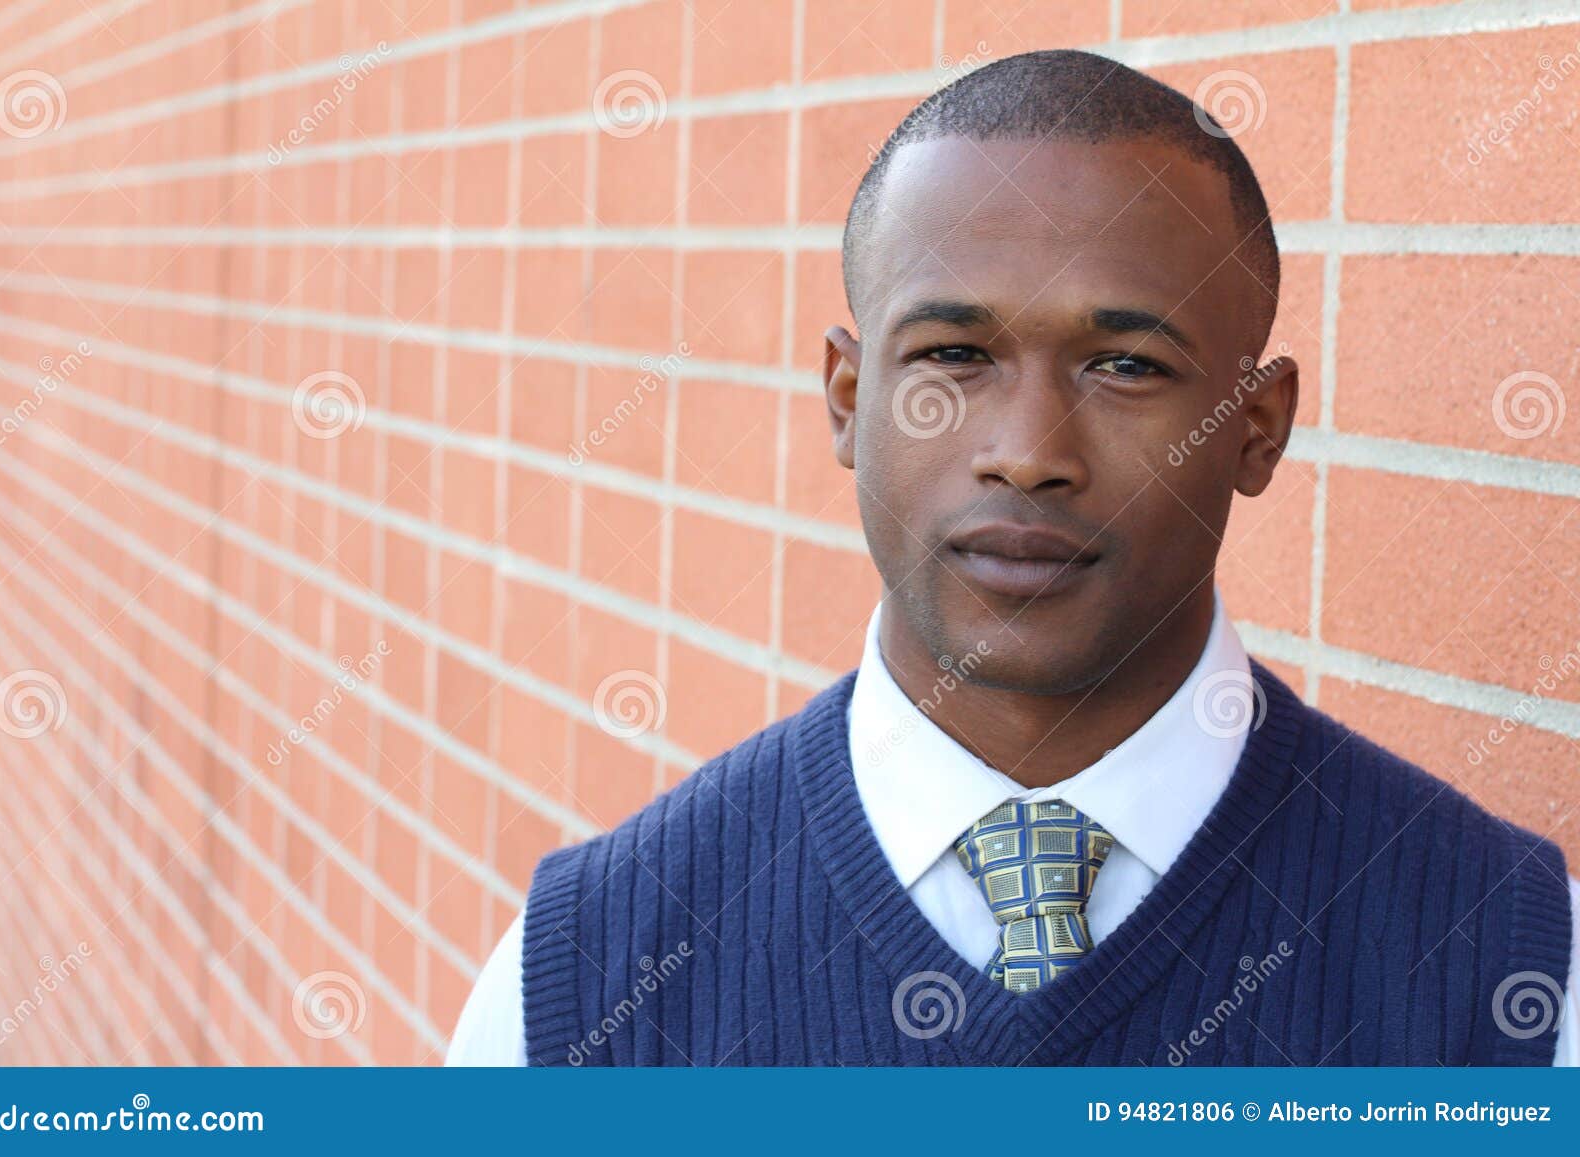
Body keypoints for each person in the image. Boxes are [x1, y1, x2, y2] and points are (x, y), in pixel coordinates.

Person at [447, 49, 1578, 1067]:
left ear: (1256, 426)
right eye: (953, 354)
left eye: (1126, 365)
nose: (1029, 453)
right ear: (848, 401)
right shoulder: (576, 991)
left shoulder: (1514, 977)